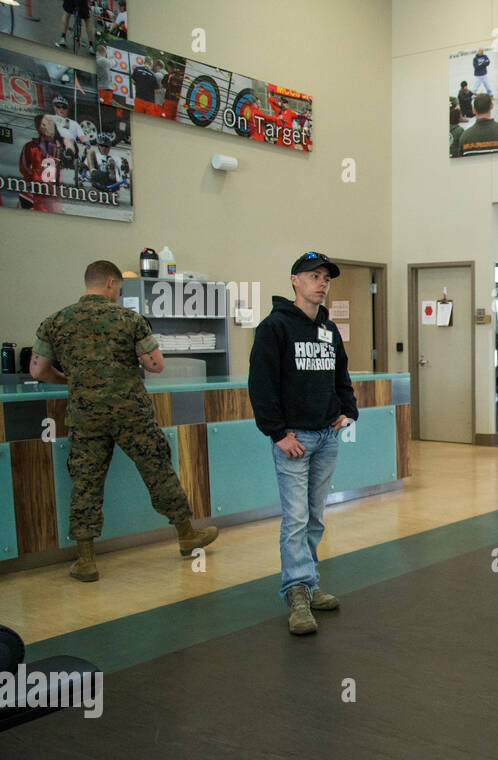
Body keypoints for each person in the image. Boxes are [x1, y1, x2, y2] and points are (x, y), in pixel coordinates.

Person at [29, 260, 219, 582]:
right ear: (111, 284)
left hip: (85, 414)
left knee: (86, 483)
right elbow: (155, 364)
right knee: (157, 470)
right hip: (131, 412)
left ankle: (86, 560)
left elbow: (37, 371)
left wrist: (71, 379)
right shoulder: (130, 319)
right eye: (117, 287)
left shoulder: (56, 321)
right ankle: (186, 535)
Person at [248, 252, 358, 636]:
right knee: (295, 518)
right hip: (294, 439)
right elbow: (261, 385)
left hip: (327, 436)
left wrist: (348, 410)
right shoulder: (274, 327)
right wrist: (278, 433)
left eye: (326, 277)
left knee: (314, 516)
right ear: (295, 281)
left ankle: (308, 584)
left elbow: (341, 373)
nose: (322, 283)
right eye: (314, 276)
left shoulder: (328, 329)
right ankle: (295, 592)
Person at [17, 114, 60, 211]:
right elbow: (23, 167)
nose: (49, 127)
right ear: (38, 128)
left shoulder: (59, 148)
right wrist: (34, 181)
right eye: (44, 124)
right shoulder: (30, 146)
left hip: (52, 194)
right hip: (34, 193)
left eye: (51, 124)